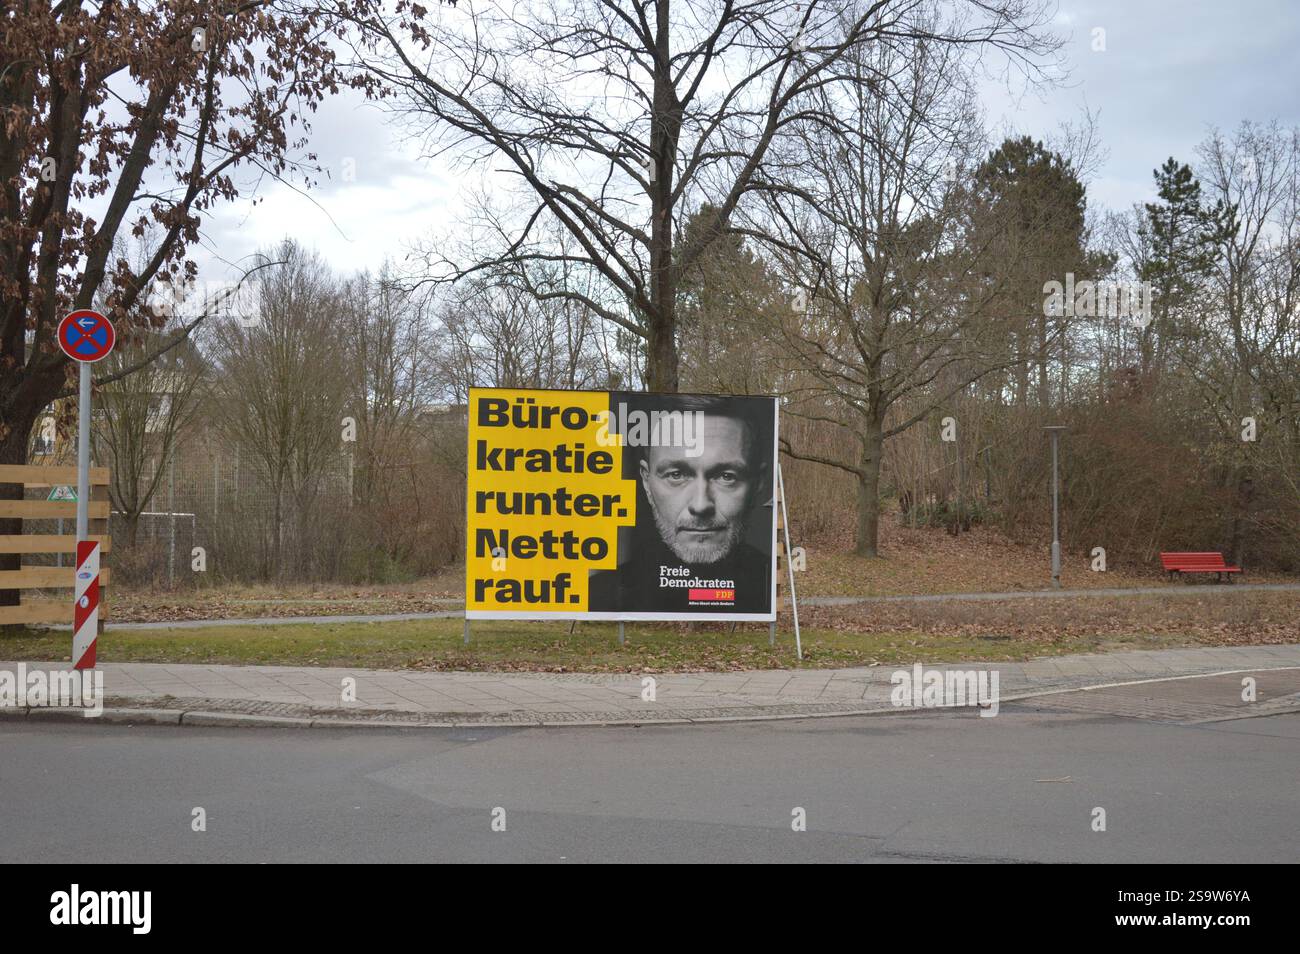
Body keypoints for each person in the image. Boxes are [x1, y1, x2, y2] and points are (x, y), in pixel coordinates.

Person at [588, 394, 773, 613]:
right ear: (647, 482)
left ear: (758, 483)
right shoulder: (601, 595)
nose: (701, 505)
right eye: (676, 474)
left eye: (726, 476)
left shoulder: (765, 587)